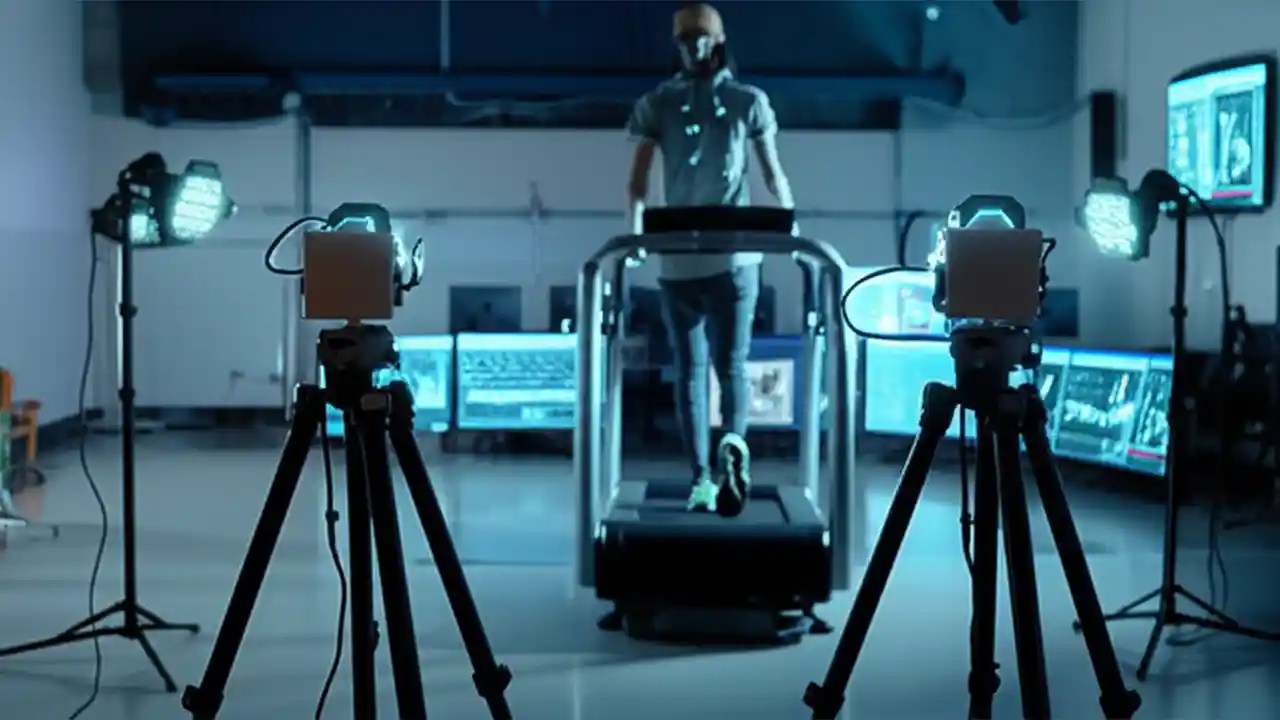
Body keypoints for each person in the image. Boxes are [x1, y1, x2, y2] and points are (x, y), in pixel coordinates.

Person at [625, 3, 794, 516]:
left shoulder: (737, 102)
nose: (693, 49)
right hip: (700, 261)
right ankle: (716, 464)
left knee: (707, 371)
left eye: (699, 41)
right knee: (714, 369)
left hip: (712, 259)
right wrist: (634, 233)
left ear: (715, 42)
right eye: (686, 41)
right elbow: (638, 180)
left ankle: (714, 469)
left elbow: (771, 174)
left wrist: (789, 224)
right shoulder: (669, 102)